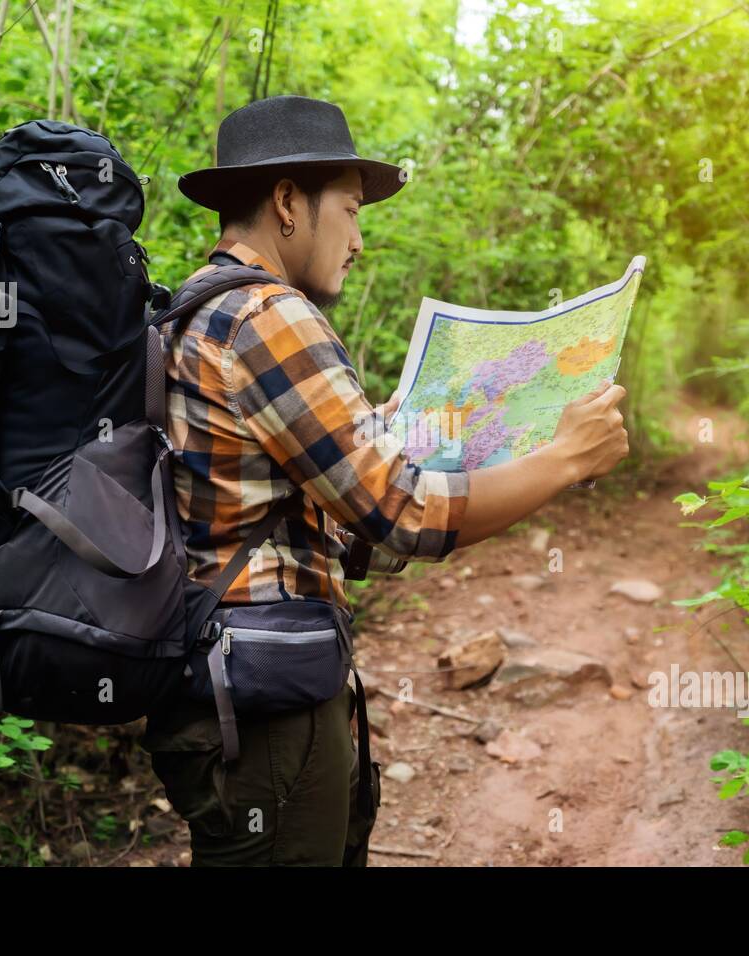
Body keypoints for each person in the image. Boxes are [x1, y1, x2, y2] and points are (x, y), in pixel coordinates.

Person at [139, 94, 630, 866]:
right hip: (266, 707)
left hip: (234, 694)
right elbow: (402, 514)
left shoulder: (197, 311)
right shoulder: (268, 316)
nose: (361, 240)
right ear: (288, 203)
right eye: (353, 210)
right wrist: (565, 458)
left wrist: (390, 437)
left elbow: (298, 519)